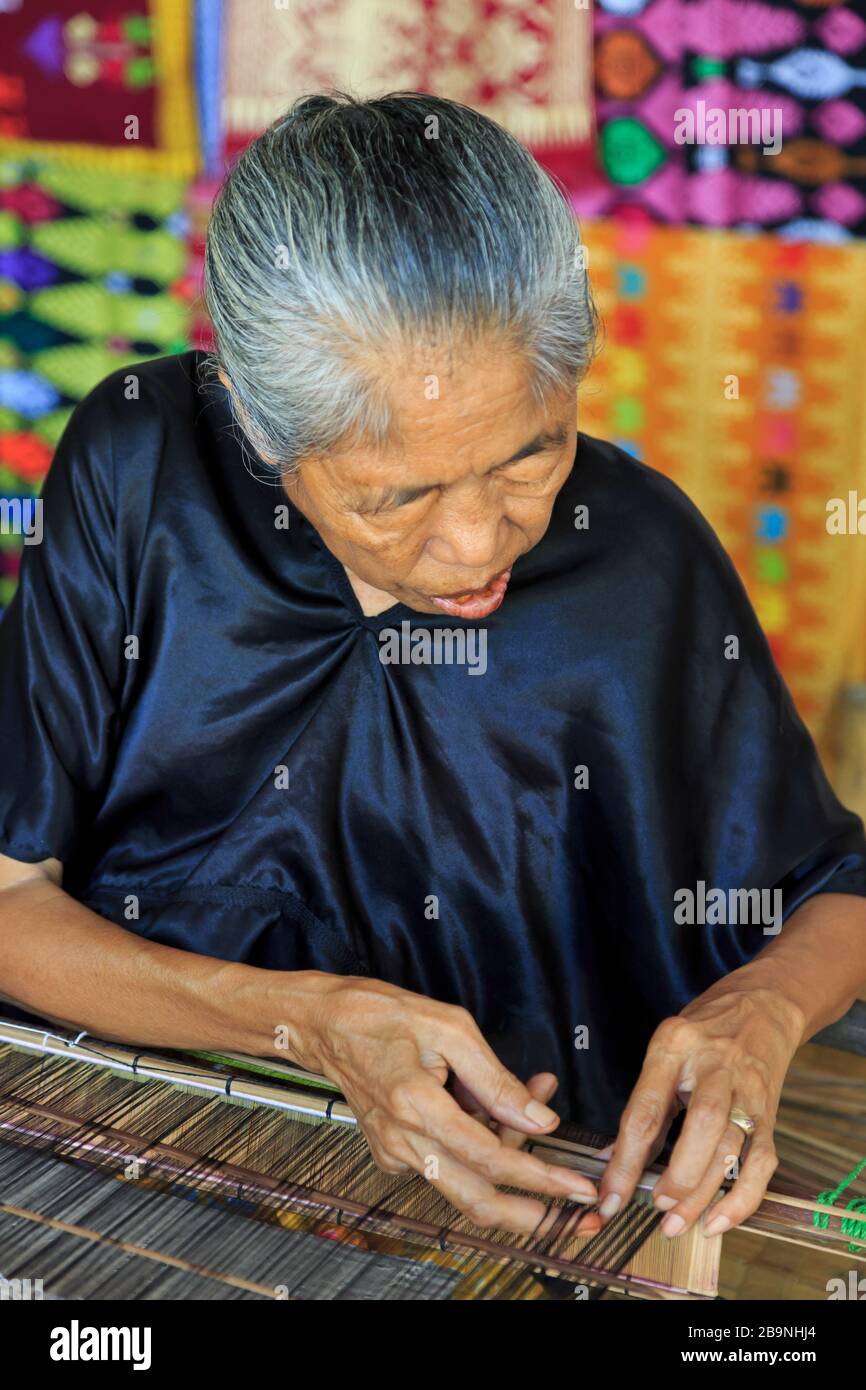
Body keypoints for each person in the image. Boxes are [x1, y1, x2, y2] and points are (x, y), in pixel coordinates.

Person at [1, 92, 864, 1243]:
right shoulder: (140, 468)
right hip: (148, 1158)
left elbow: (831, 890)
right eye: (396, 495)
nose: (476, 542)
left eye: (529, 454)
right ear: (260, 431)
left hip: (516, 1208)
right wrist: (307, 1023)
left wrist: (757, 1011)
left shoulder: (639, 558)